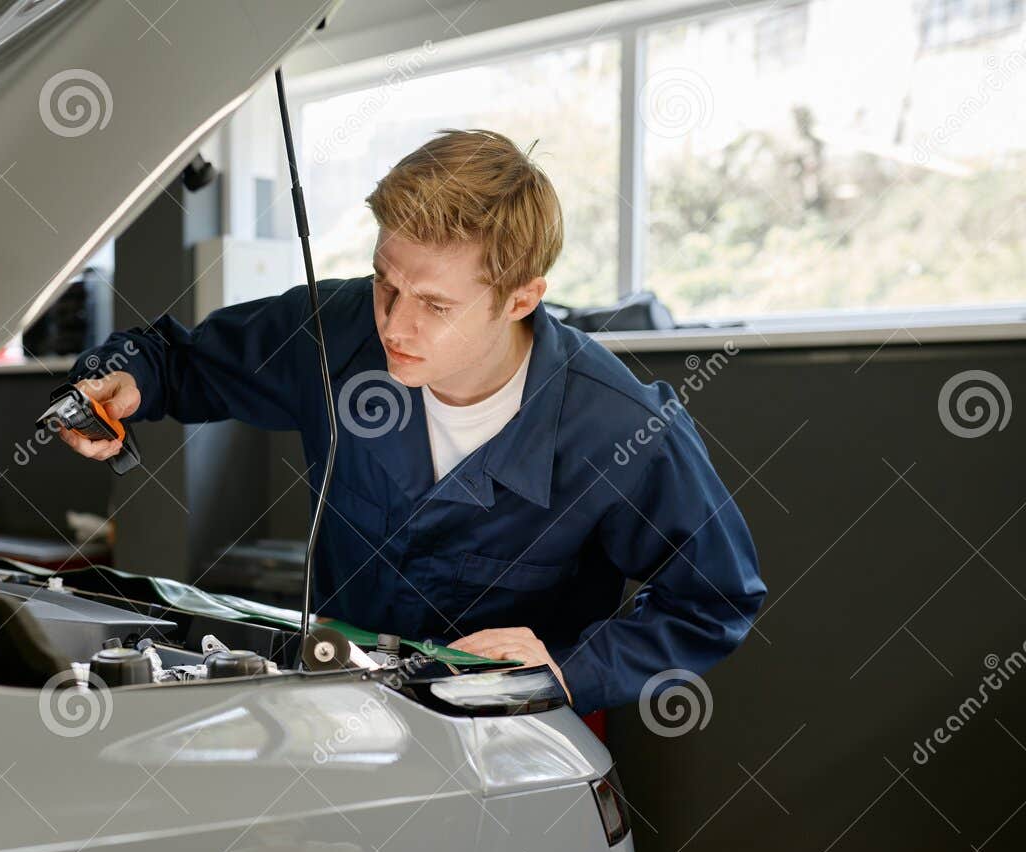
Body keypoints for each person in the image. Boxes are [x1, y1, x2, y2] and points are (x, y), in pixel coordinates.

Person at [54, 129, 764, 716]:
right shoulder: (335, 333)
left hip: (518, 737)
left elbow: (716, 597)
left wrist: (573, 664)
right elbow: (176, 358)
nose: (395, 323)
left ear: (521, 298)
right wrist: (123, 378)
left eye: (435, 304)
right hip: (341, 711)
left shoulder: (620, 428)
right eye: (385, 283)